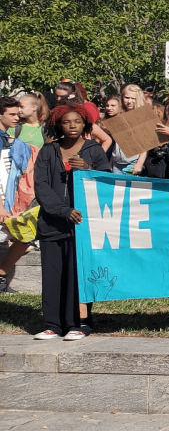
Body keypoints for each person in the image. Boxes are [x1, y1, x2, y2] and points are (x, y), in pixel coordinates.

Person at [33, 105, 111, 340]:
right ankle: (53, 325)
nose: (73, 125)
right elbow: (41, 186)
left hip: (84, 225)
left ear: (85, 124)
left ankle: (81, 323)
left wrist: (88, 170)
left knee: (79, 274)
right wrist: (62, 211)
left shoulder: (94, 150)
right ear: (58, 125)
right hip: (53, 224)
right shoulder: (48, 151)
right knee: (53, 274)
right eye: (67, 122)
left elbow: (105, 182)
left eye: (77, 121)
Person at [0, 96, 36, 294]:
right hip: (2, 200)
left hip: (10, 197)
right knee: (25, 235)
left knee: (27, 234)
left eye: (18, 113)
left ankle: (1, 275)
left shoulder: (8, 139)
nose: (17, 118)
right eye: (11, 114)